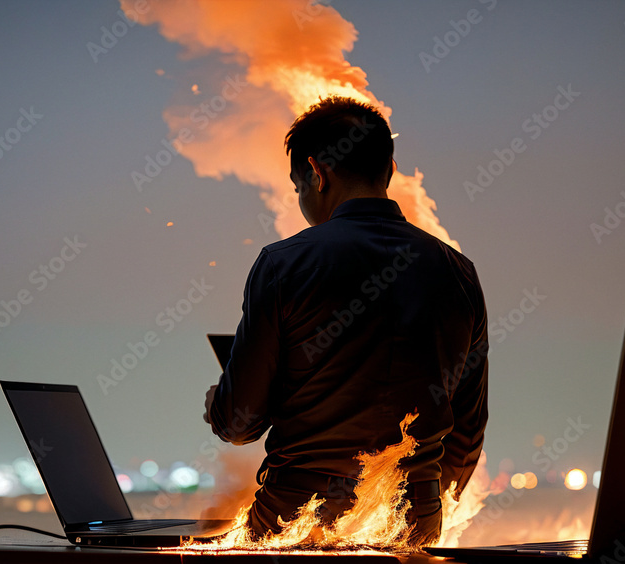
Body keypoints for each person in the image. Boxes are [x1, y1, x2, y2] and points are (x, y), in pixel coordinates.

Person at [203, 96, 488, 545]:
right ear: (389, 170)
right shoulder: (457, 270)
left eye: (299, 187)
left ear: (317, 174)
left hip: (297, 525)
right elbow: (467, 430)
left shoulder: (283, 264)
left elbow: (239, 423)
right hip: (414, 527)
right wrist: (424, 502)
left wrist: (220, 402)